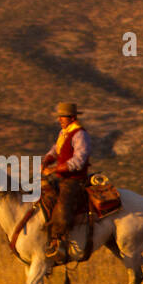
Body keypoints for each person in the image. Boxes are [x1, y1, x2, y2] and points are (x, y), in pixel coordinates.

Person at [41, 102, 92, 264]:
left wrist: (56, 168)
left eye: (63, 116)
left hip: (74, 179)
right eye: (59, 116)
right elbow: (56, 149)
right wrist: (47, 159)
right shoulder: (64, 133)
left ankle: (60, 243)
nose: (60, 119)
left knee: (63, 207)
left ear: (72, 117)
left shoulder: (79, 134)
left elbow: (79, 160)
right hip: (62, 177)